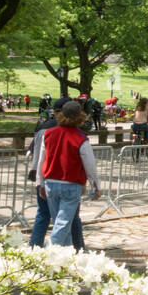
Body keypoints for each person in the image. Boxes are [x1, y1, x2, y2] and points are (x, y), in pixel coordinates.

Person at [35, 100, 100, 247]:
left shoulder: (49, 134)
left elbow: (41, 161)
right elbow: (90, 167)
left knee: (62, 223)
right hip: (71, 184)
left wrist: (41, 183)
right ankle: (47, 253)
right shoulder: (81, 138)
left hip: (51, 183)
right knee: (63, 224)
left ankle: (65, 258)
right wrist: (95, 187)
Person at [28, 97, 85, 251]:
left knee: (43, 215)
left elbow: (34, 152)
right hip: (62, 178)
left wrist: (38, 177)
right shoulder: (67, 130)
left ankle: (35, 247)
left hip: (43, 176)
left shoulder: (43, 127)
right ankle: (75, 248)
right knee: (70, 217)